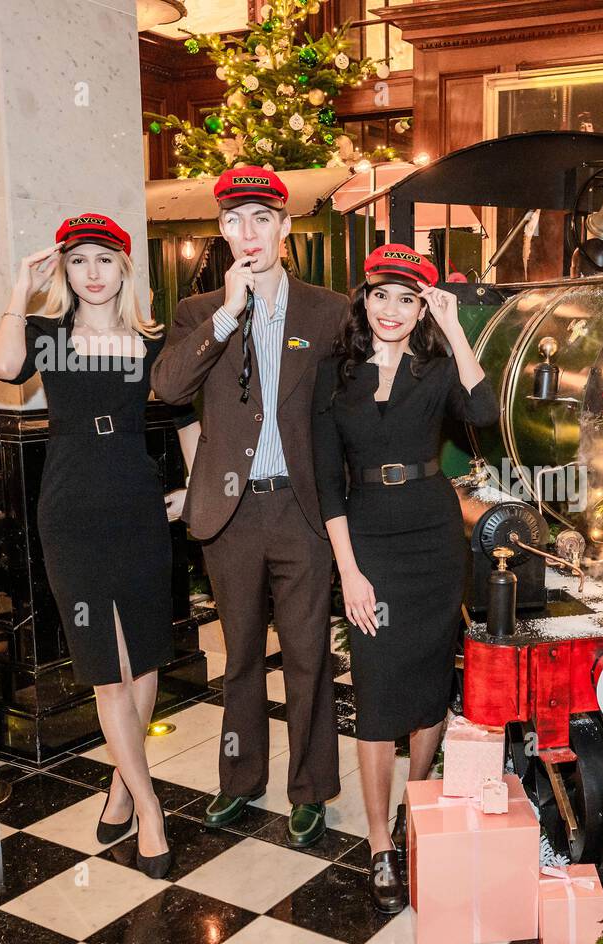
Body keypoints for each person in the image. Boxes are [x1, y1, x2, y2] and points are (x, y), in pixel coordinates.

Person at [0, 213, 199, 879]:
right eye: (78, 261)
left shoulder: (148, 338)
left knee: (143, 661)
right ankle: (150, 806)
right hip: (72, 507)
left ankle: (119, 786)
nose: (93, 273)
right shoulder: (47, 336)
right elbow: (2, 365)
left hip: (136, 500)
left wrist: (196, 489)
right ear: (65, 272)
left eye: (104, 260)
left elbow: (188, 406)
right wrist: (20, 289)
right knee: (107, 667)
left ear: (124, 268)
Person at [151, 166, 349, 846]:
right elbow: (170, 388)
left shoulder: (329, 311)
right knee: (238, 655)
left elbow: (349, 406)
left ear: (287, 226)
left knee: (306, 655)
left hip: (301, 509)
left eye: (262, 219)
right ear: (221, 230)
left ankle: (311, 788)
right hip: (230, 515)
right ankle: (239, 780)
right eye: (234, 221)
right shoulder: (198, 310)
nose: (248, 233)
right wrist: (228, 313)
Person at [313, 244, 499, 913]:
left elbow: (483, 414)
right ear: (364, 299)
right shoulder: (334, 374)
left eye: (408, 298)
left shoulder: (437, 365)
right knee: (375, 688)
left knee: (426, 686)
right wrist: (350, 573)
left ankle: (413, 806)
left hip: (433, 536)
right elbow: (326, 486)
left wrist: (454, 326)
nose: (392, 310)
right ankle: (377, 841)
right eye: (381, 295)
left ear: (423, 306)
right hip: (368, 539)